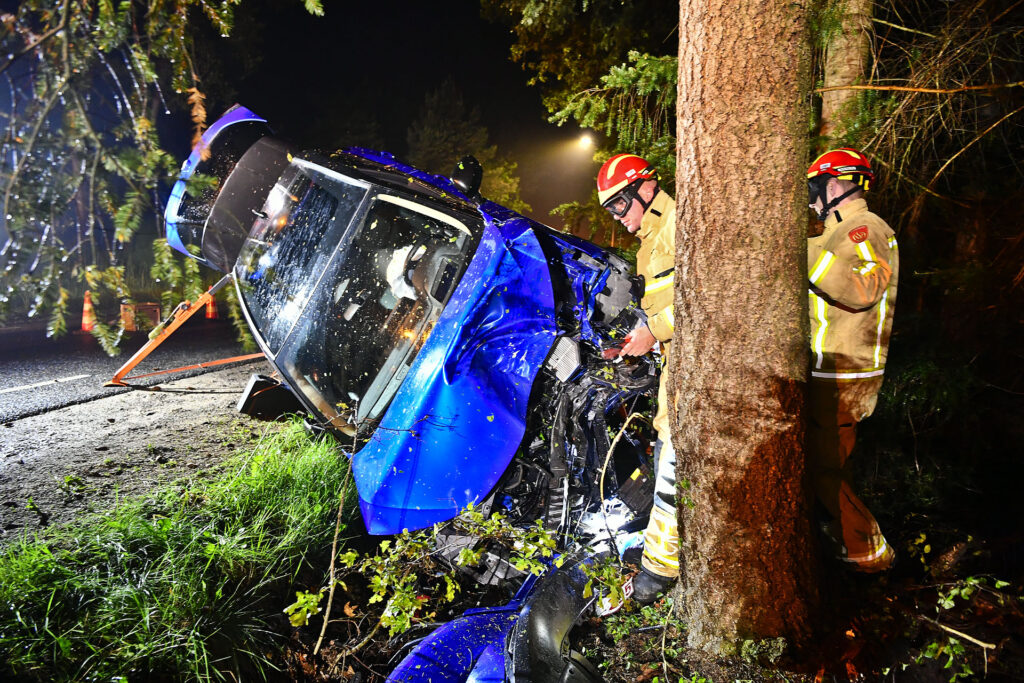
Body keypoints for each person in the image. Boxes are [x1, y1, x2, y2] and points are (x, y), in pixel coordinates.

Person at [805, 147, 899, 573]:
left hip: (846, 372)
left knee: (825, 470)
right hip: (831, 369)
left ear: (837, 183)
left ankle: (868, 557)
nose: (809, 200)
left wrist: (800, 252)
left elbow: (862, 289)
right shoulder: (838, 231)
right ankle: (843, 543)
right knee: (819, 466)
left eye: (813, 188)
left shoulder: (864, 228)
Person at [596, 153, 678, 602]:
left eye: (621, 206)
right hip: (675, 364)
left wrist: (654, 331)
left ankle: (659, 572)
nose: (620, 220)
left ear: (645, 187)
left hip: (694, 370)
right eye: (610, 212)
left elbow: (708, 295)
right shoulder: (649, 240)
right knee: (666, 450)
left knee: (672, 462)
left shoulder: (679, 222)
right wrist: (637, 337)